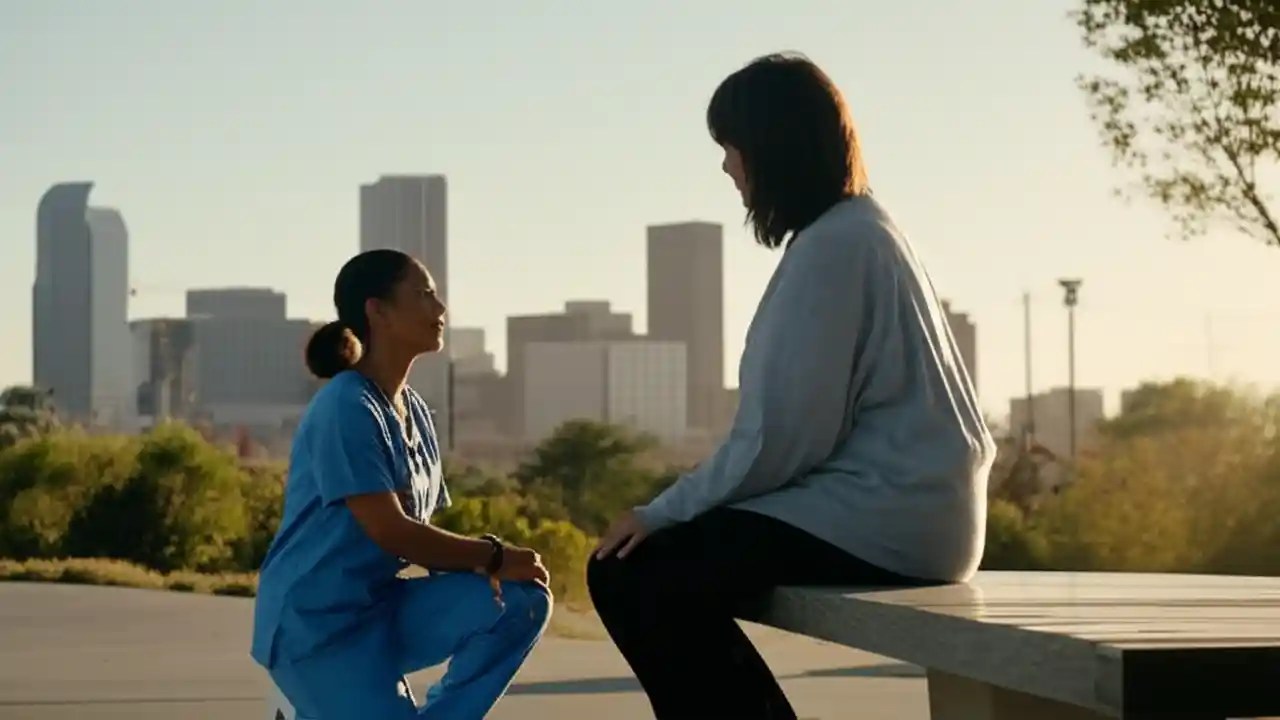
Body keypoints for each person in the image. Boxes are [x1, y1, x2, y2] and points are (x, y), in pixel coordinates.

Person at [587, 52, 996, 719]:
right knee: (660, 568)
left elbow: (779, 438)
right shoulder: (866, 229)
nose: (725, 167)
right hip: (915, 515)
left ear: (771, 148)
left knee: (630, 570)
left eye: (731, 147)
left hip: (887, 520)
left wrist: (662, 512)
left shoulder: (833, 249)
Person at [250, 249, 552, 720]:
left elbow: (427, 539)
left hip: (380, 610)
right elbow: (392, 531)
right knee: (505, 578)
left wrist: (489, 570)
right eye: (424, 295)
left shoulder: (412, 409)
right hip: (317, 628)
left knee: (520, 602)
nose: (440, 309)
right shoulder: (346, 405)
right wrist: (494, 556)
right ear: (379, 311)